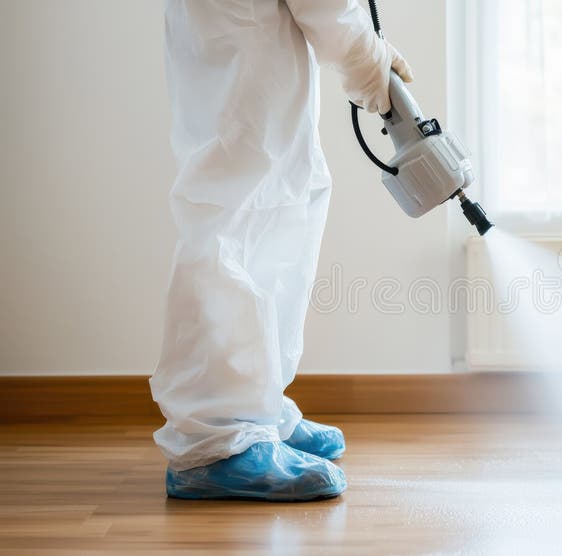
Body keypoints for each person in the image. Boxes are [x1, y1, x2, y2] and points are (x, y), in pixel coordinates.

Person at [150, 0, 412, 502]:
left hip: (251, 36)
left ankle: (256, 410)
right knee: (236, 213)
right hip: (242, 34)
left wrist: (368, 54)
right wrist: (367, 58)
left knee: (282, 205)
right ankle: (218, 438)